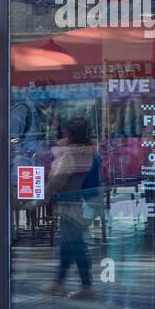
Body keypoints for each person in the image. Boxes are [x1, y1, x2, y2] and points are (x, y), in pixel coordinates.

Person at [40, 119, 100, 299]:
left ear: (71, 136)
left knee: (75, 245)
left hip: (73, 205)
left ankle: (86, 286)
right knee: (68, 245)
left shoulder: (71, 156)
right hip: (87, 204)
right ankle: (60, 283)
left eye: (65, 134)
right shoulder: (91, 153)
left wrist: (38, 200)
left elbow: (56, 181)